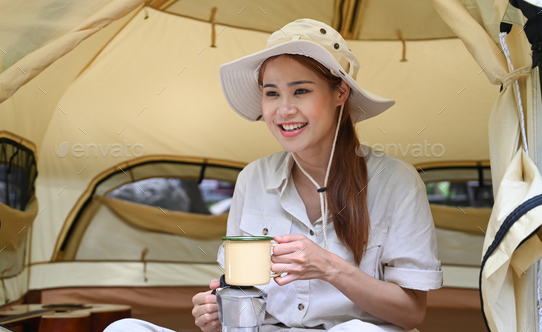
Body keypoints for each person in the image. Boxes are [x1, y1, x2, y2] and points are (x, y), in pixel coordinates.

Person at [104, 18, 442, 332]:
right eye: (271, 93)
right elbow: (238, 290)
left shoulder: (396, 181)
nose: (283, 110)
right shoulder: (253, 178)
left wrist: (330, 267)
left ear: (340, 92)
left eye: (301, 90)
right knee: (122, 329)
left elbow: (412, 312)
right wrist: (219, 310)